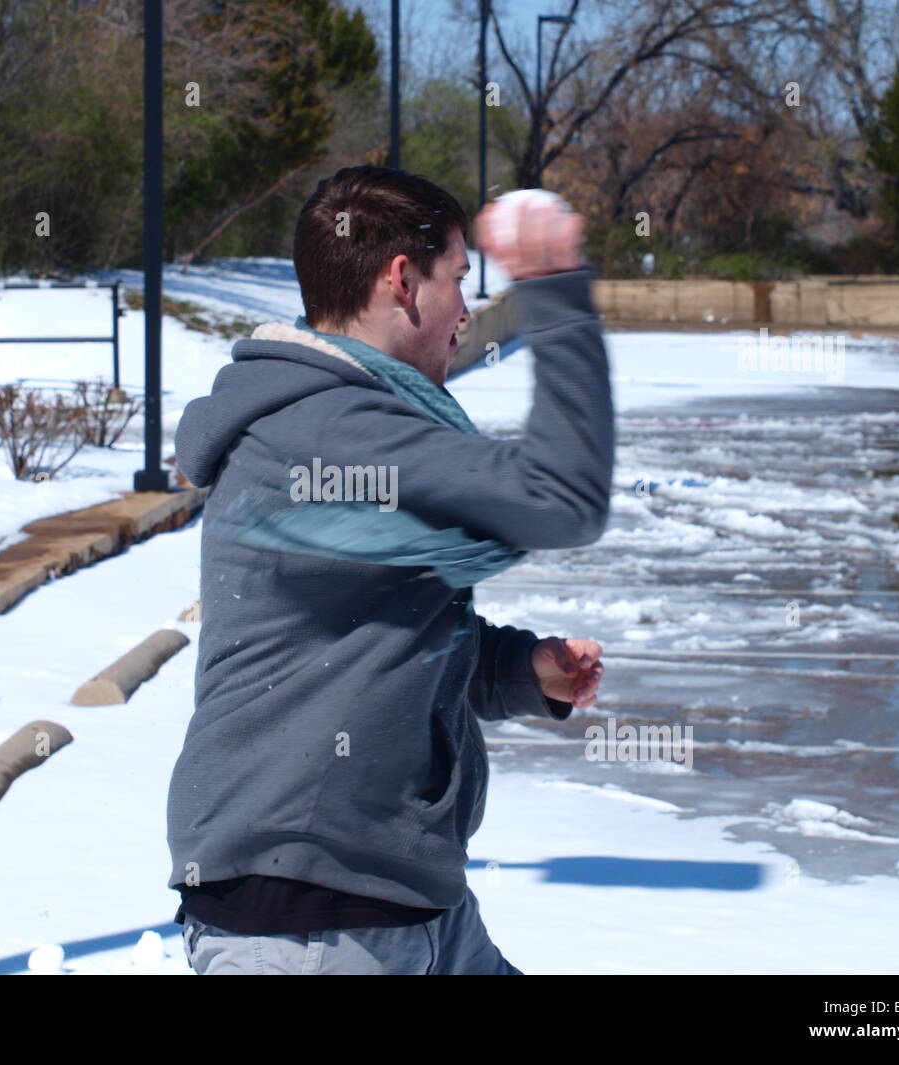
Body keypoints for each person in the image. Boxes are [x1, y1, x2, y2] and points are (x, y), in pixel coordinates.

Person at [166, 165, 615, 974]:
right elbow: (559, 497)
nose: (467, 311)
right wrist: (555, 293)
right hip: (314, 922)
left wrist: (521, 670)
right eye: (458, 279)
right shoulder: (332, 429)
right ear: (403, 282)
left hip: (398, 899)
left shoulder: (340, 423)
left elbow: (383, 636)